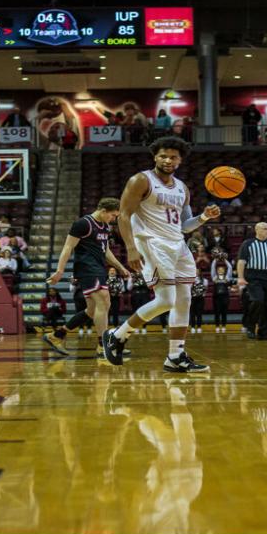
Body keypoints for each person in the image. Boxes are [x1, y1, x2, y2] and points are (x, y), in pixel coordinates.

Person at [102, 136, 221, 371]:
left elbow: (186, 225)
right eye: (163, 156)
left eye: (173, 157)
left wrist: (205, 217)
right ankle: (117, 335)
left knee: (184, 300)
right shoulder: (141, 180)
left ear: (180, 160)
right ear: (155, 157)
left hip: (178, 244)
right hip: (151, 243)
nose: (168, 160)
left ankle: (175, 356)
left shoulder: (182, 188)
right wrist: (131, 248)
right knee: (166, 300)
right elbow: (124, 216)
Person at [44, 198, 131, 358]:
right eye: (112, 215)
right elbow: (68, 247)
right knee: (104, 301)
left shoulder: (104, 226)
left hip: (98, 267)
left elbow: (106, 251)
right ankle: (103, 345)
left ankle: (57, 336)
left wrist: (120, 267)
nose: (113, 219)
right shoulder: (83, 224)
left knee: (92, 311)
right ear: (103, 211)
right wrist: (59, 270)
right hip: (86, 268)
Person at [211, 264, 232, 332]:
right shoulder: (214, 277)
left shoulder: (227, 277)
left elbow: (230, 267)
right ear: (217, 271)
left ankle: (223, 326)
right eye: (219, 270)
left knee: (224, 312)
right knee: (217, 312)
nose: (220, 271)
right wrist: (215, 259)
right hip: (217, 298)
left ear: (224, 271)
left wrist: (225, 259)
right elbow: (212, 267)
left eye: (222, 269)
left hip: (225, 297)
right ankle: (217, 326)